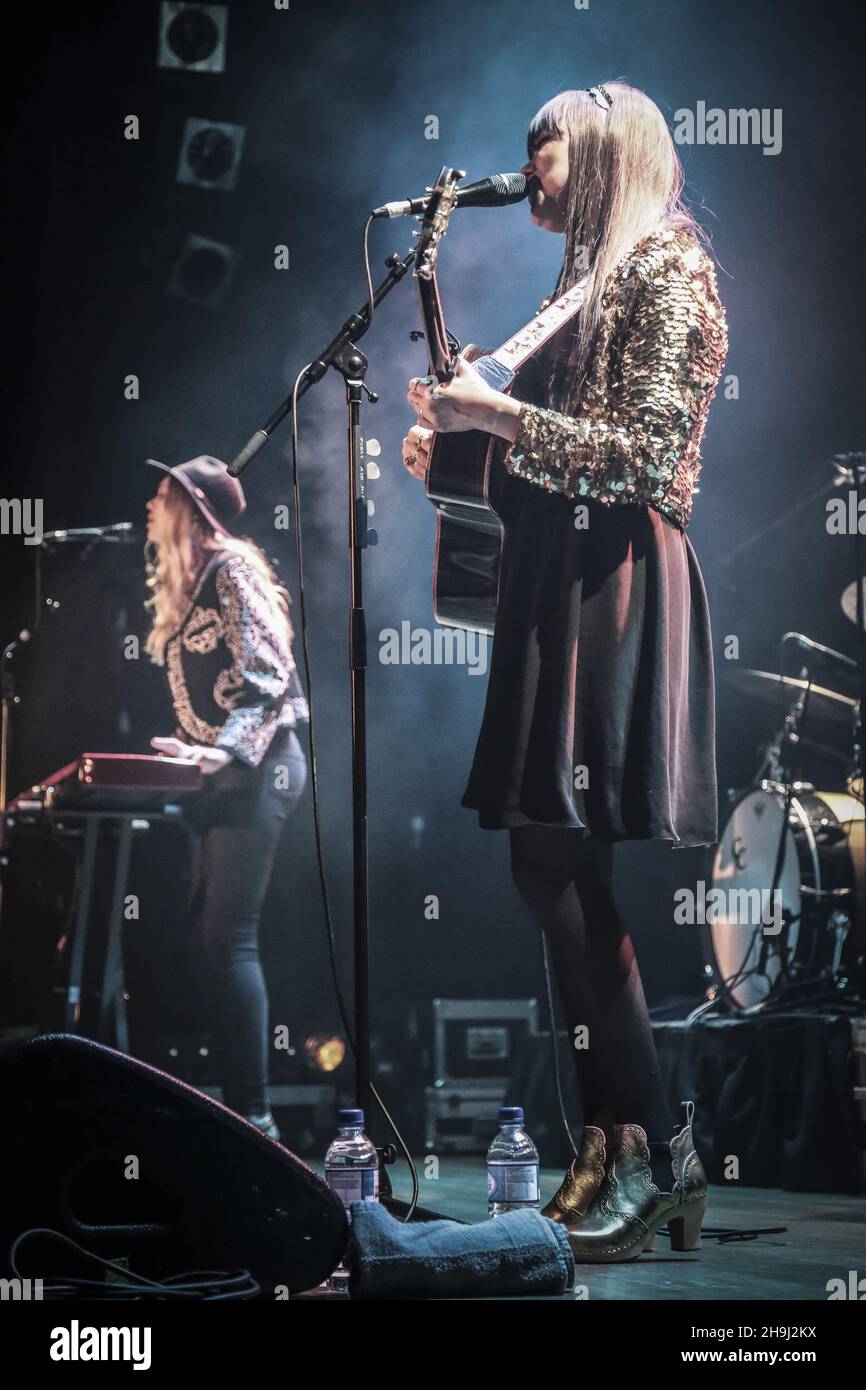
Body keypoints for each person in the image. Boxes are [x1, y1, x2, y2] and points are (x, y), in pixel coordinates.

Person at [403, 83, 727, 1260]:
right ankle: (609, 1145)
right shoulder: (583, 278)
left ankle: (657, 1153)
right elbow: (540, 452)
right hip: (557, 572)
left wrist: (493, 415)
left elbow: (640, 458)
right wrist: (460, 439)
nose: (527, 178)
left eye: (544, 160)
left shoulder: (665, 269)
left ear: (597, 161)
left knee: (565, 862)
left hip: (614, 580)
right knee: (545, 865)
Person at [144, 455, 309, 1141]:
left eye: (162, 495)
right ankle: (234, 1111)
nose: (150, 507)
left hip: (262, 766)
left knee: (228, 938)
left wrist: (223, 748)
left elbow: (267, 674)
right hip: (221, 773)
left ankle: (257, 1117)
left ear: (191, 509)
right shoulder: (186, 585)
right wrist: (195, 750)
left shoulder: (232, 569)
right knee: (203, 942)